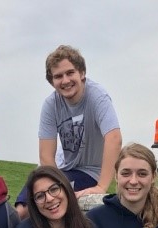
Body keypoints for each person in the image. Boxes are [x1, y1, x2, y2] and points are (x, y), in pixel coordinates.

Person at [36, 44, 121, 199]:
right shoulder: (50, 105)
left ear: (82, 73)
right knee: (24, 207)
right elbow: (46, 156)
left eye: (70, 73)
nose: (65, 80)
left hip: (89, 171)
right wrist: (56, 186)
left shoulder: (97, 97)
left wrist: (101, 187)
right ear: (51, 81)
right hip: (62, 170)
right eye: (58, 76)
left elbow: (114, 138)